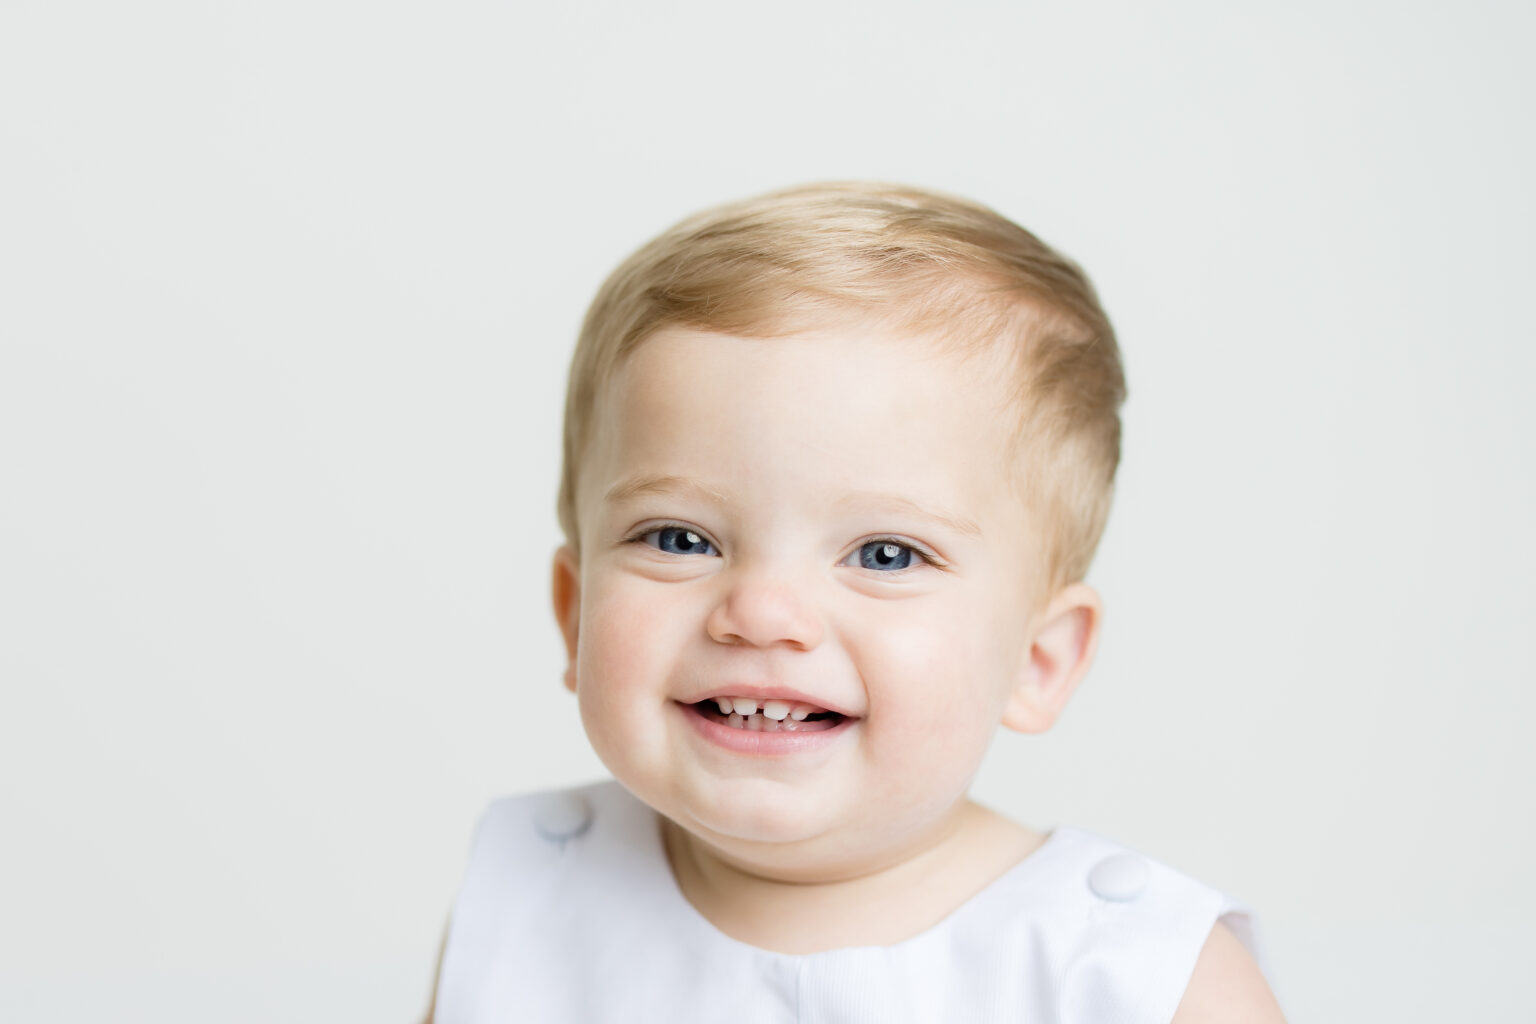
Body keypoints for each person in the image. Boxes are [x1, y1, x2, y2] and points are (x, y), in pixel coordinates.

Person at [425, 182, 1286, 1022]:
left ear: (1038, 659)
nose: (760, 614)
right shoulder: (523, 911)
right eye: (680, 539)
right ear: (576, 613)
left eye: (885, 553)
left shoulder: (1136, 980)